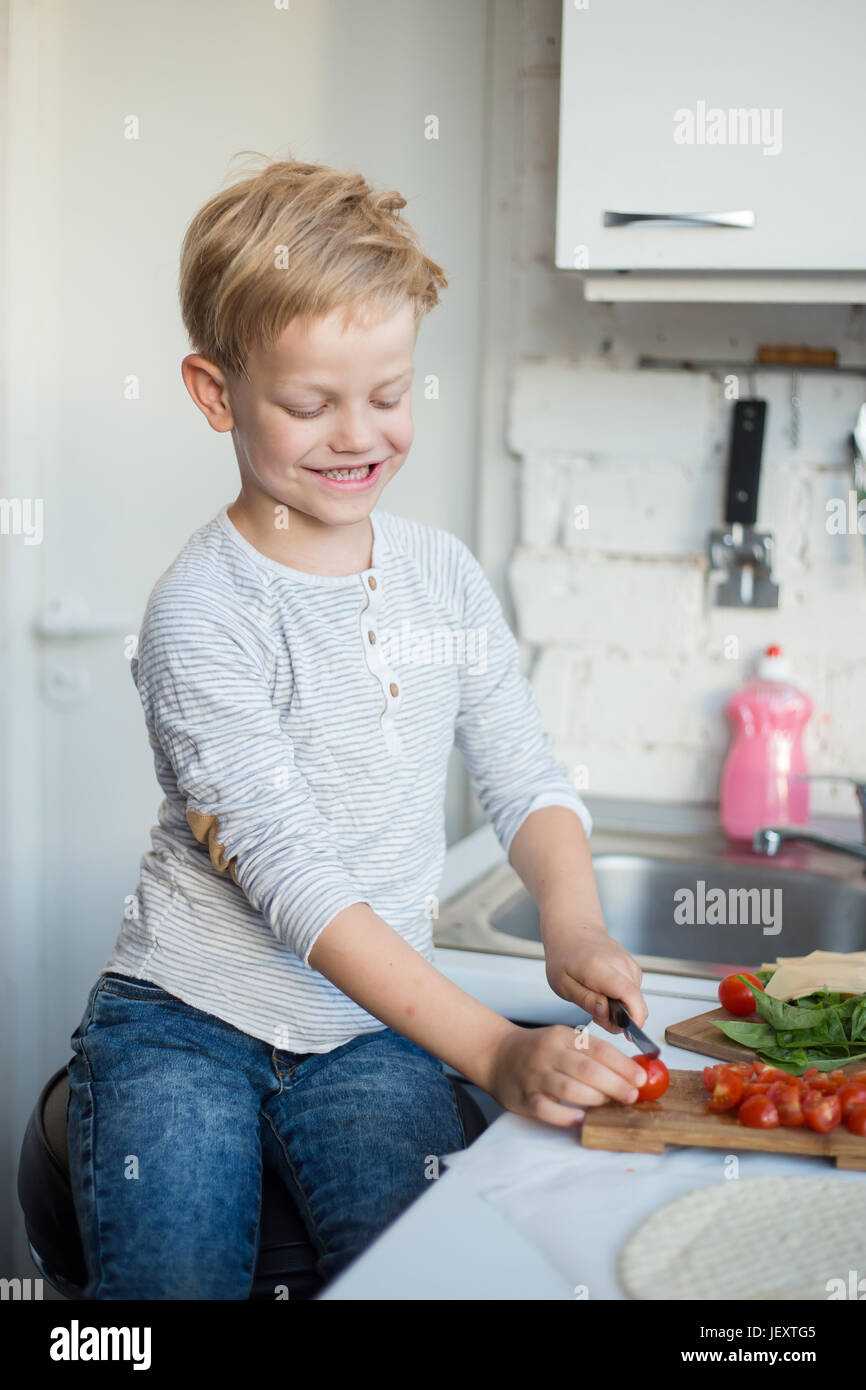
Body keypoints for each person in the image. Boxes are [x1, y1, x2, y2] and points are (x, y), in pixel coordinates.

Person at [66, 156, 649, 1299]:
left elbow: (521, 772)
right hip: (184, 1020)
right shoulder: (201, 612)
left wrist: (572, 925)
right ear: (213, 392)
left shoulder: (440, 574)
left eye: (388, 395)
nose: (356, 435)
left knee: (432, 1276)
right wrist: (489, 1047)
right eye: (309, 402)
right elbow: (293, 878)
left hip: (369, 1033)